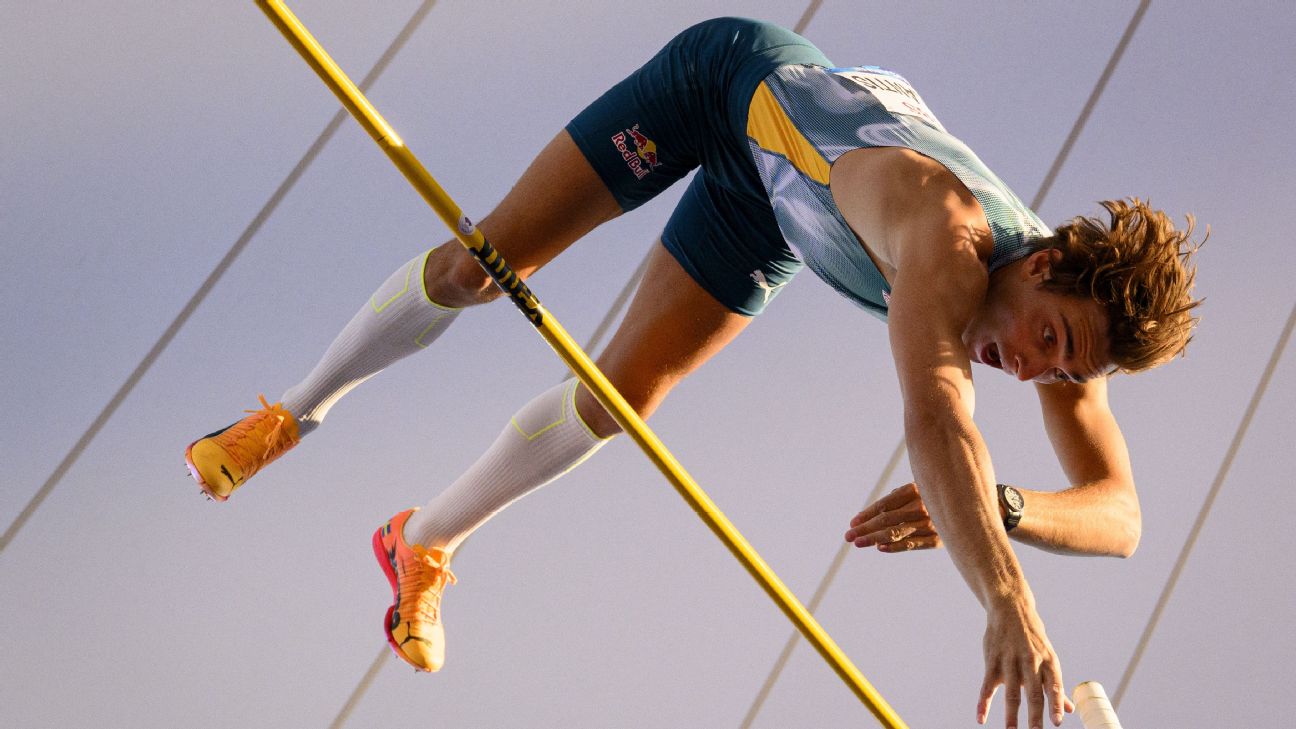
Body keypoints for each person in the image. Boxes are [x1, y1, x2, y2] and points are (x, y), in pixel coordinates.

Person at [185, 17, 1199, 729]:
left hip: (770, 209)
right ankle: (292, 415)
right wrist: (1007, 601)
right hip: (725, 89)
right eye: (1049, 342)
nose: (1032, 370)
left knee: (618, 401)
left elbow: (1120, 517)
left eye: (1059, 368)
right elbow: (939, 420)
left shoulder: (1064, 330)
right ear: (1047, 264)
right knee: (480, 266)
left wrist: (1005, 508)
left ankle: (421, 541)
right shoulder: (949, 235)